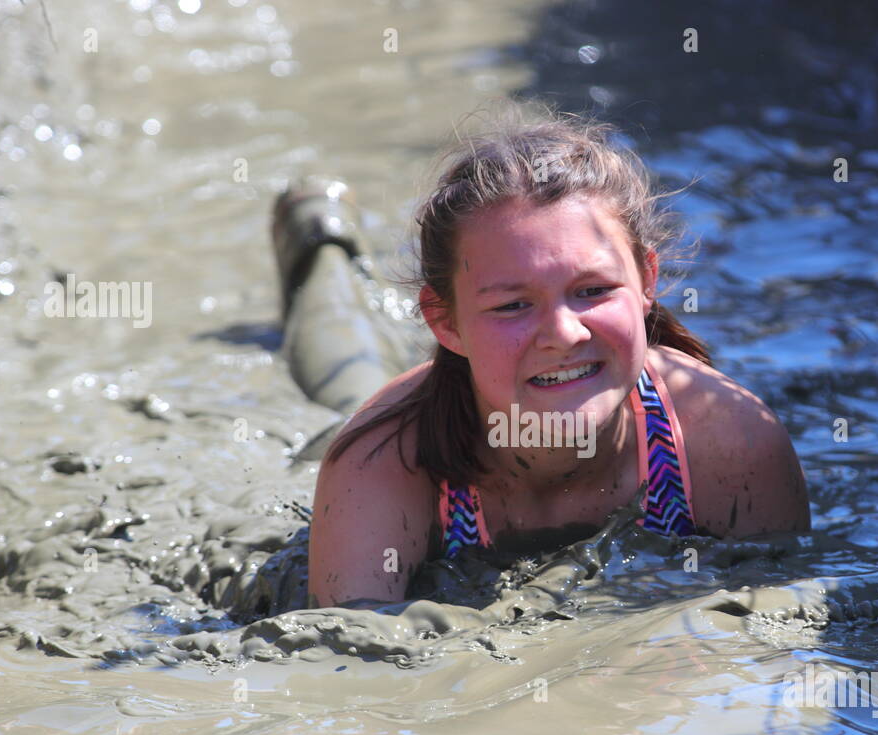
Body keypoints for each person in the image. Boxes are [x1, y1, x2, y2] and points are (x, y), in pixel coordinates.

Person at [276, 103, 810, 611]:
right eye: (512, 305)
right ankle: (322, 247)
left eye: (592, 290)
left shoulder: (732, 444)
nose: (563, 333)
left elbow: (768, 655)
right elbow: (354, 679)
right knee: (345, 391)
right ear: (445, 321)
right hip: (355, 443)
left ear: (647, 280)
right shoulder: (379, 464)